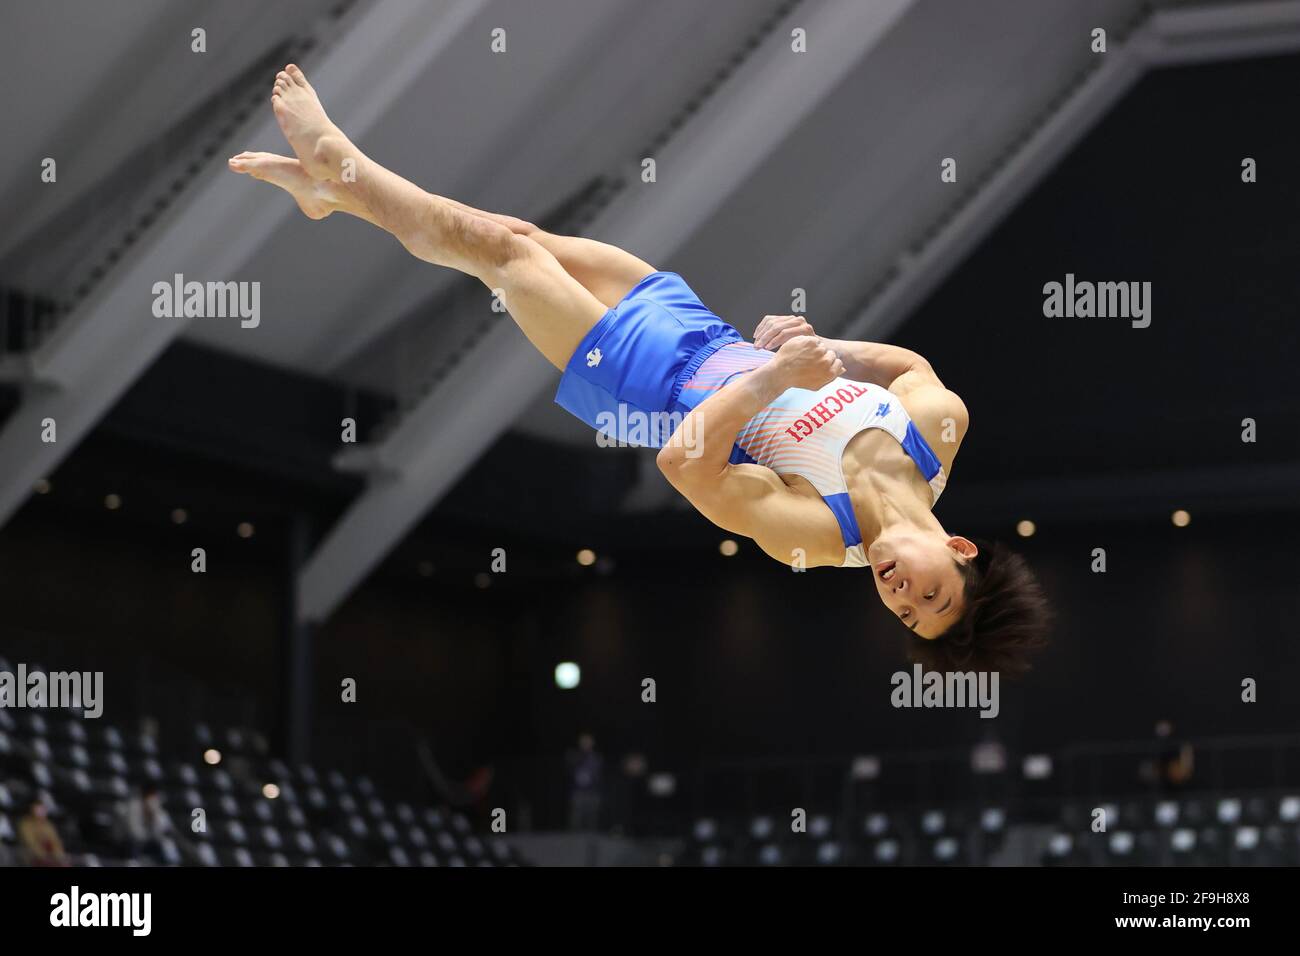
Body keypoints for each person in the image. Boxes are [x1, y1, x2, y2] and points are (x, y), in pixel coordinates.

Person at [229, 65, 1050, 674]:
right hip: (698, 328)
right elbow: (910, 365)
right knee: (522, 233)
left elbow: (683, 462)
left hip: (646, 388)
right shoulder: (939, 428)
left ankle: (340, 164)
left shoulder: (809, 538)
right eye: (929, 594)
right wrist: (830, 355)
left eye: (905, 613)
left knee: (503, 255)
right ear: (963, 549)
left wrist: (771, 382)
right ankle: (329, 198)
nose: (900, 594)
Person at [114, 784, 173, 861]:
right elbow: (134, 834)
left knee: (165, 846)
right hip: (127, 844)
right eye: (151, 796)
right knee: (133, 846)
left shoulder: (156, 810)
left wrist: (153, 817)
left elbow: (161, 833)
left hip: (146, 842)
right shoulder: (133, 807)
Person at [566, 734, 603, 832]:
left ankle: (591, 838)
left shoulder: (596, 757)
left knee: (592, 816)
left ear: (592, 743)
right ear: (580, 743)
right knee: (576, 817)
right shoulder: (573, 755)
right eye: (584, 741)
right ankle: (574, 840)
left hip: (593, 791)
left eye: (588, 741)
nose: (586, 743)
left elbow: (599, 774)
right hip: (578, 791)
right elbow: (569, 768)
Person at [18, 798, 67, 866]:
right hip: (35, 855)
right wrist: (43, 855)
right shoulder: (26, 824)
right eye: (38, 810)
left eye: (43, 809)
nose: (41, 812)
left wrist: (58, 854)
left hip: (52, 855)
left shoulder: (47, 824)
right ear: (32, 810)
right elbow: (30, 842)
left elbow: (55, 840)